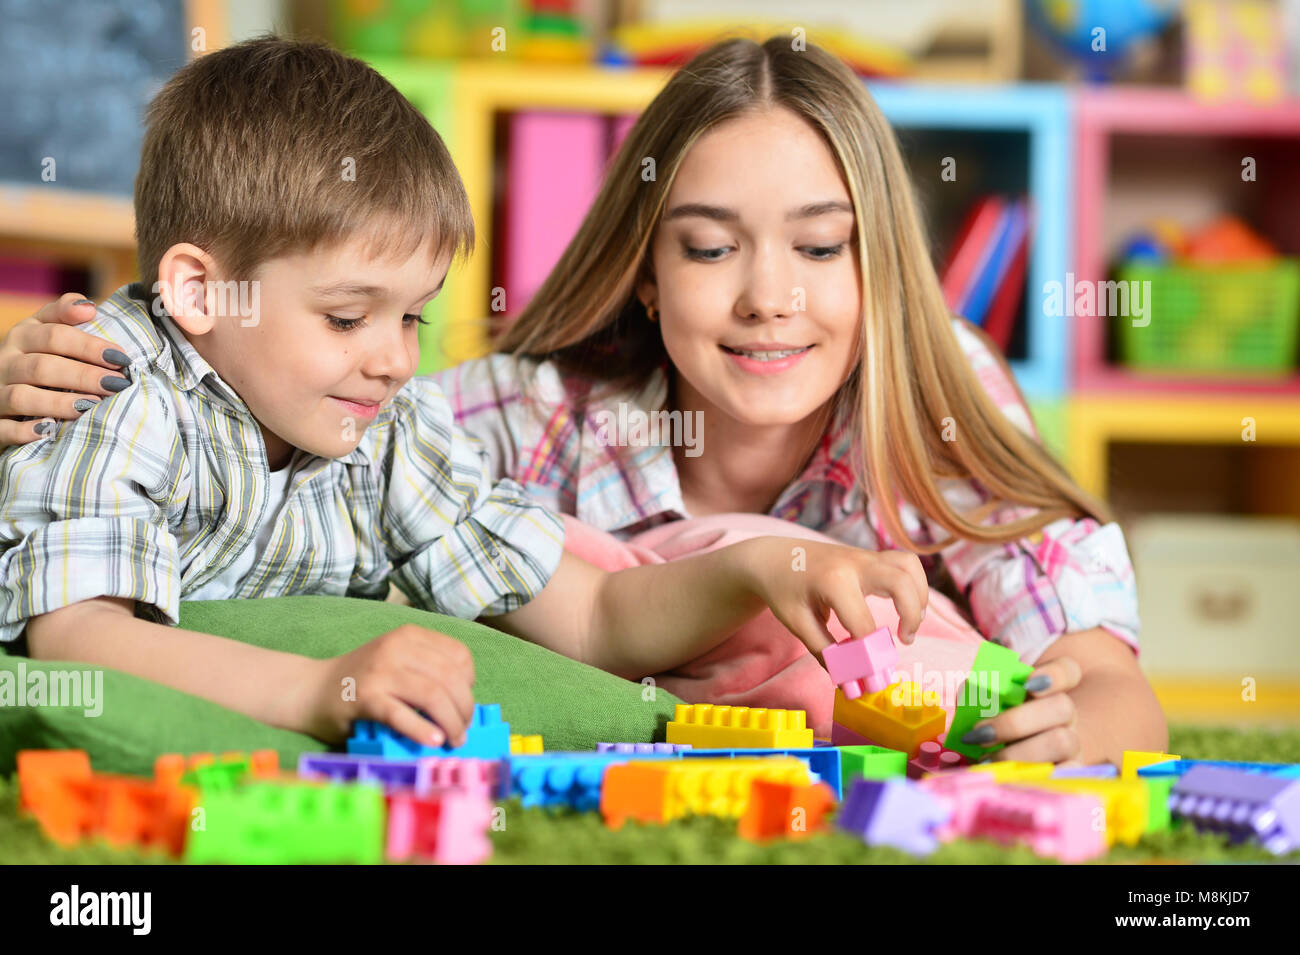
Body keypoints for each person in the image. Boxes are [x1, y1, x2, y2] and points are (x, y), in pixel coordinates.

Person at [0, 37, 1165, 765]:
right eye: (709, 250)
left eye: (822, 247)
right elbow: (258, 363)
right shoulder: (513, 408)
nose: (771, 299)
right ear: (644, 275)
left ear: (886, 265)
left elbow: (1115, 687)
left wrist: (773, 571)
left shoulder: (935, 388)